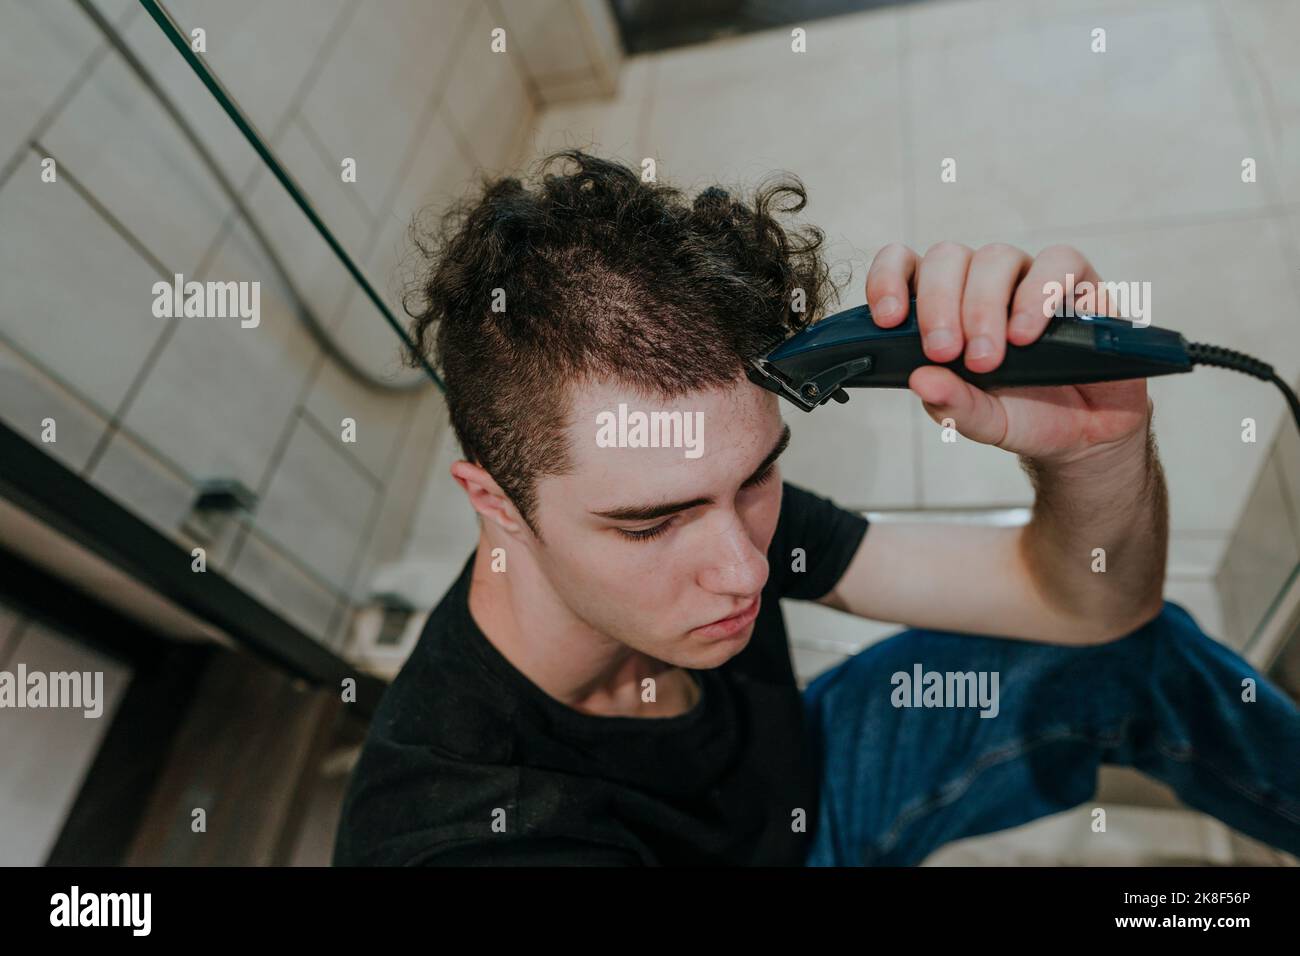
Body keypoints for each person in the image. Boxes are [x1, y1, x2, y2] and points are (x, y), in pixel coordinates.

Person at [332, 150, 1300, 866]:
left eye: (756, 477)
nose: (746, 568)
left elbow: (1096, 610)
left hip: (802, 779)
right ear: (493, 503)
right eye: (649, 523)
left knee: (1137, 662)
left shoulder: (718, 499)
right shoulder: (458, 828)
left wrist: (1099, 458)